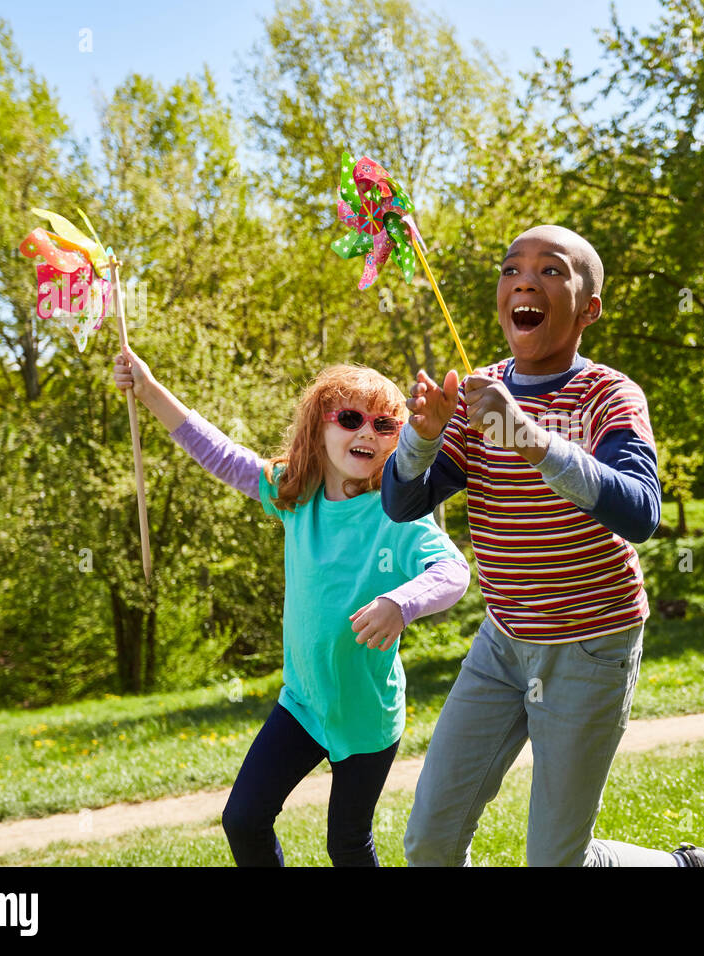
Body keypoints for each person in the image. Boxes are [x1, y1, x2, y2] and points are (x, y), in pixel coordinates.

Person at [382, 224, 704, 867]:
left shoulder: (607, 395)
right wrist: (421, 438)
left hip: (591, 644)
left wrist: (530, 436)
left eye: (552, 270)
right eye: (511, 270)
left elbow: (641, 511)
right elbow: (404, 504)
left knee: (556, 861)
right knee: (430, 843)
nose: (526, 280)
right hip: (503, 641)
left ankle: (677, 865)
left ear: (589, 308)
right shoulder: (477, 394)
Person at [114, 349, 469, 866]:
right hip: (301, 704)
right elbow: (220, 453)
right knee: (243, 819)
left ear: (399, 439)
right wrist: (148, 389)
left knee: (347, 845)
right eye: (350, 418)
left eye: (384, 423)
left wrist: (401, 602)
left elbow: (454, 571)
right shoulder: (295, 494)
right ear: (318, 428)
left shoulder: (399, 514)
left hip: (366, 714)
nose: (365, 432)